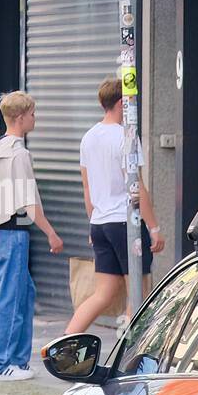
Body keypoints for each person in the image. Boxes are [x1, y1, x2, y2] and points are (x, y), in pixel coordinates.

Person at [64, 79, 164, 334]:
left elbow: (87, 187)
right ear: (122, 102)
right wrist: (154, 227)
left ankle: (65, 342)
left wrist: (92, 222)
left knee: (103, 294)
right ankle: (128, 354)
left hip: (100, 223)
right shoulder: (126, 136)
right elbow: (136, 187)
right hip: (125, 223)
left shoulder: (89, 138)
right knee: (138, 294)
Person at [0, 91, 64, 381]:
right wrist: (52, 233)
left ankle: (15, 361)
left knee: (23, 294)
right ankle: (0, 364)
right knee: (12, 298)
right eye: (32, 114)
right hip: (13, 230)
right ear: (19, 118)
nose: (35, 118)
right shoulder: (18, 154)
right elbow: (30, 202)